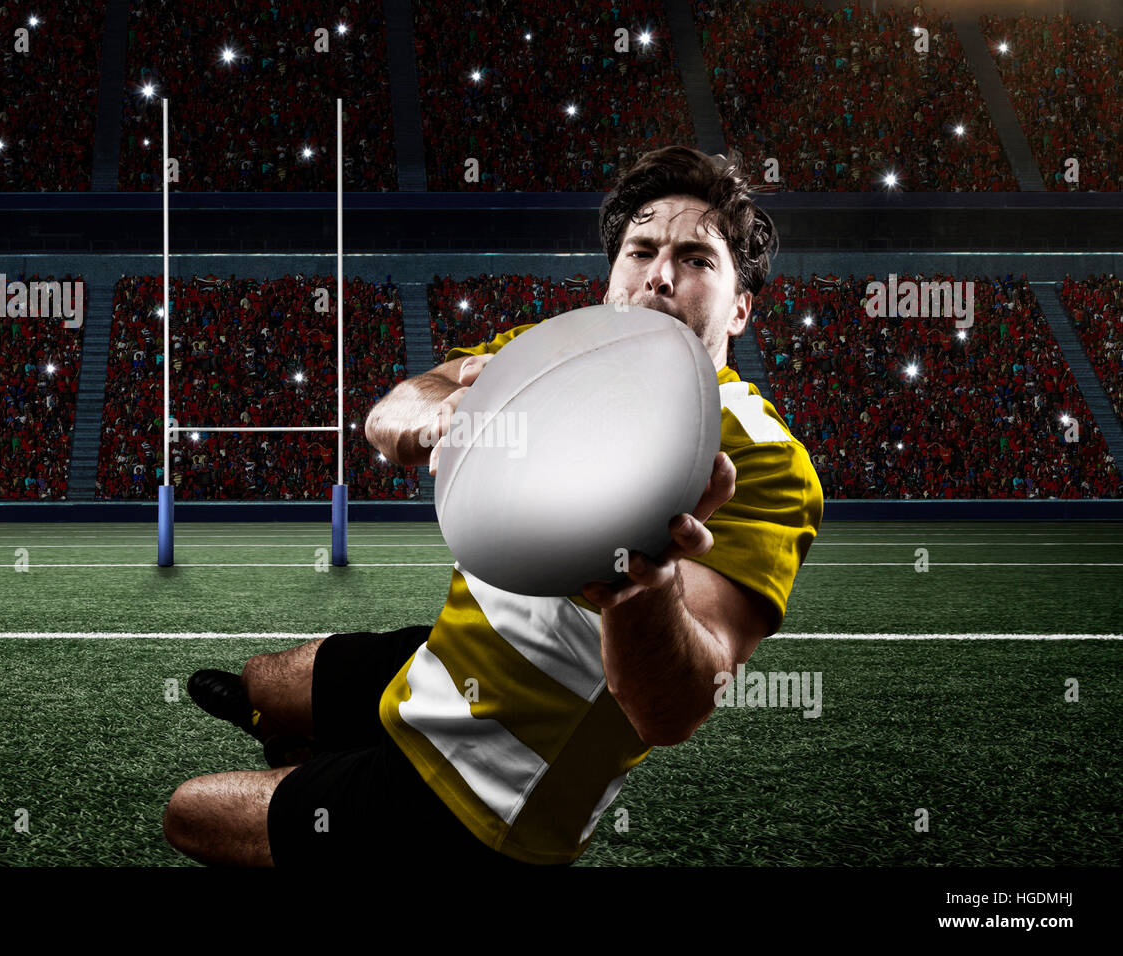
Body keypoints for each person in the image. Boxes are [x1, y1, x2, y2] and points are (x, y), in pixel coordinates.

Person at [163, 146, 824, 867]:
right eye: (641, 250)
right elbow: (400, 407)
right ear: (611, 280)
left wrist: (643, 586)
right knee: (268, 678)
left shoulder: (764, 460)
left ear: (740, 309)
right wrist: (433, 415)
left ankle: (325, 794)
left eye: (697, 259)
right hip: (449, 659)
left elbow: (673, 708)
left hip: (490, 789)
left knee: (188, 813)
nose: (660, 276)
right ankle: (309, 758)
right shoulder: (559, 357)